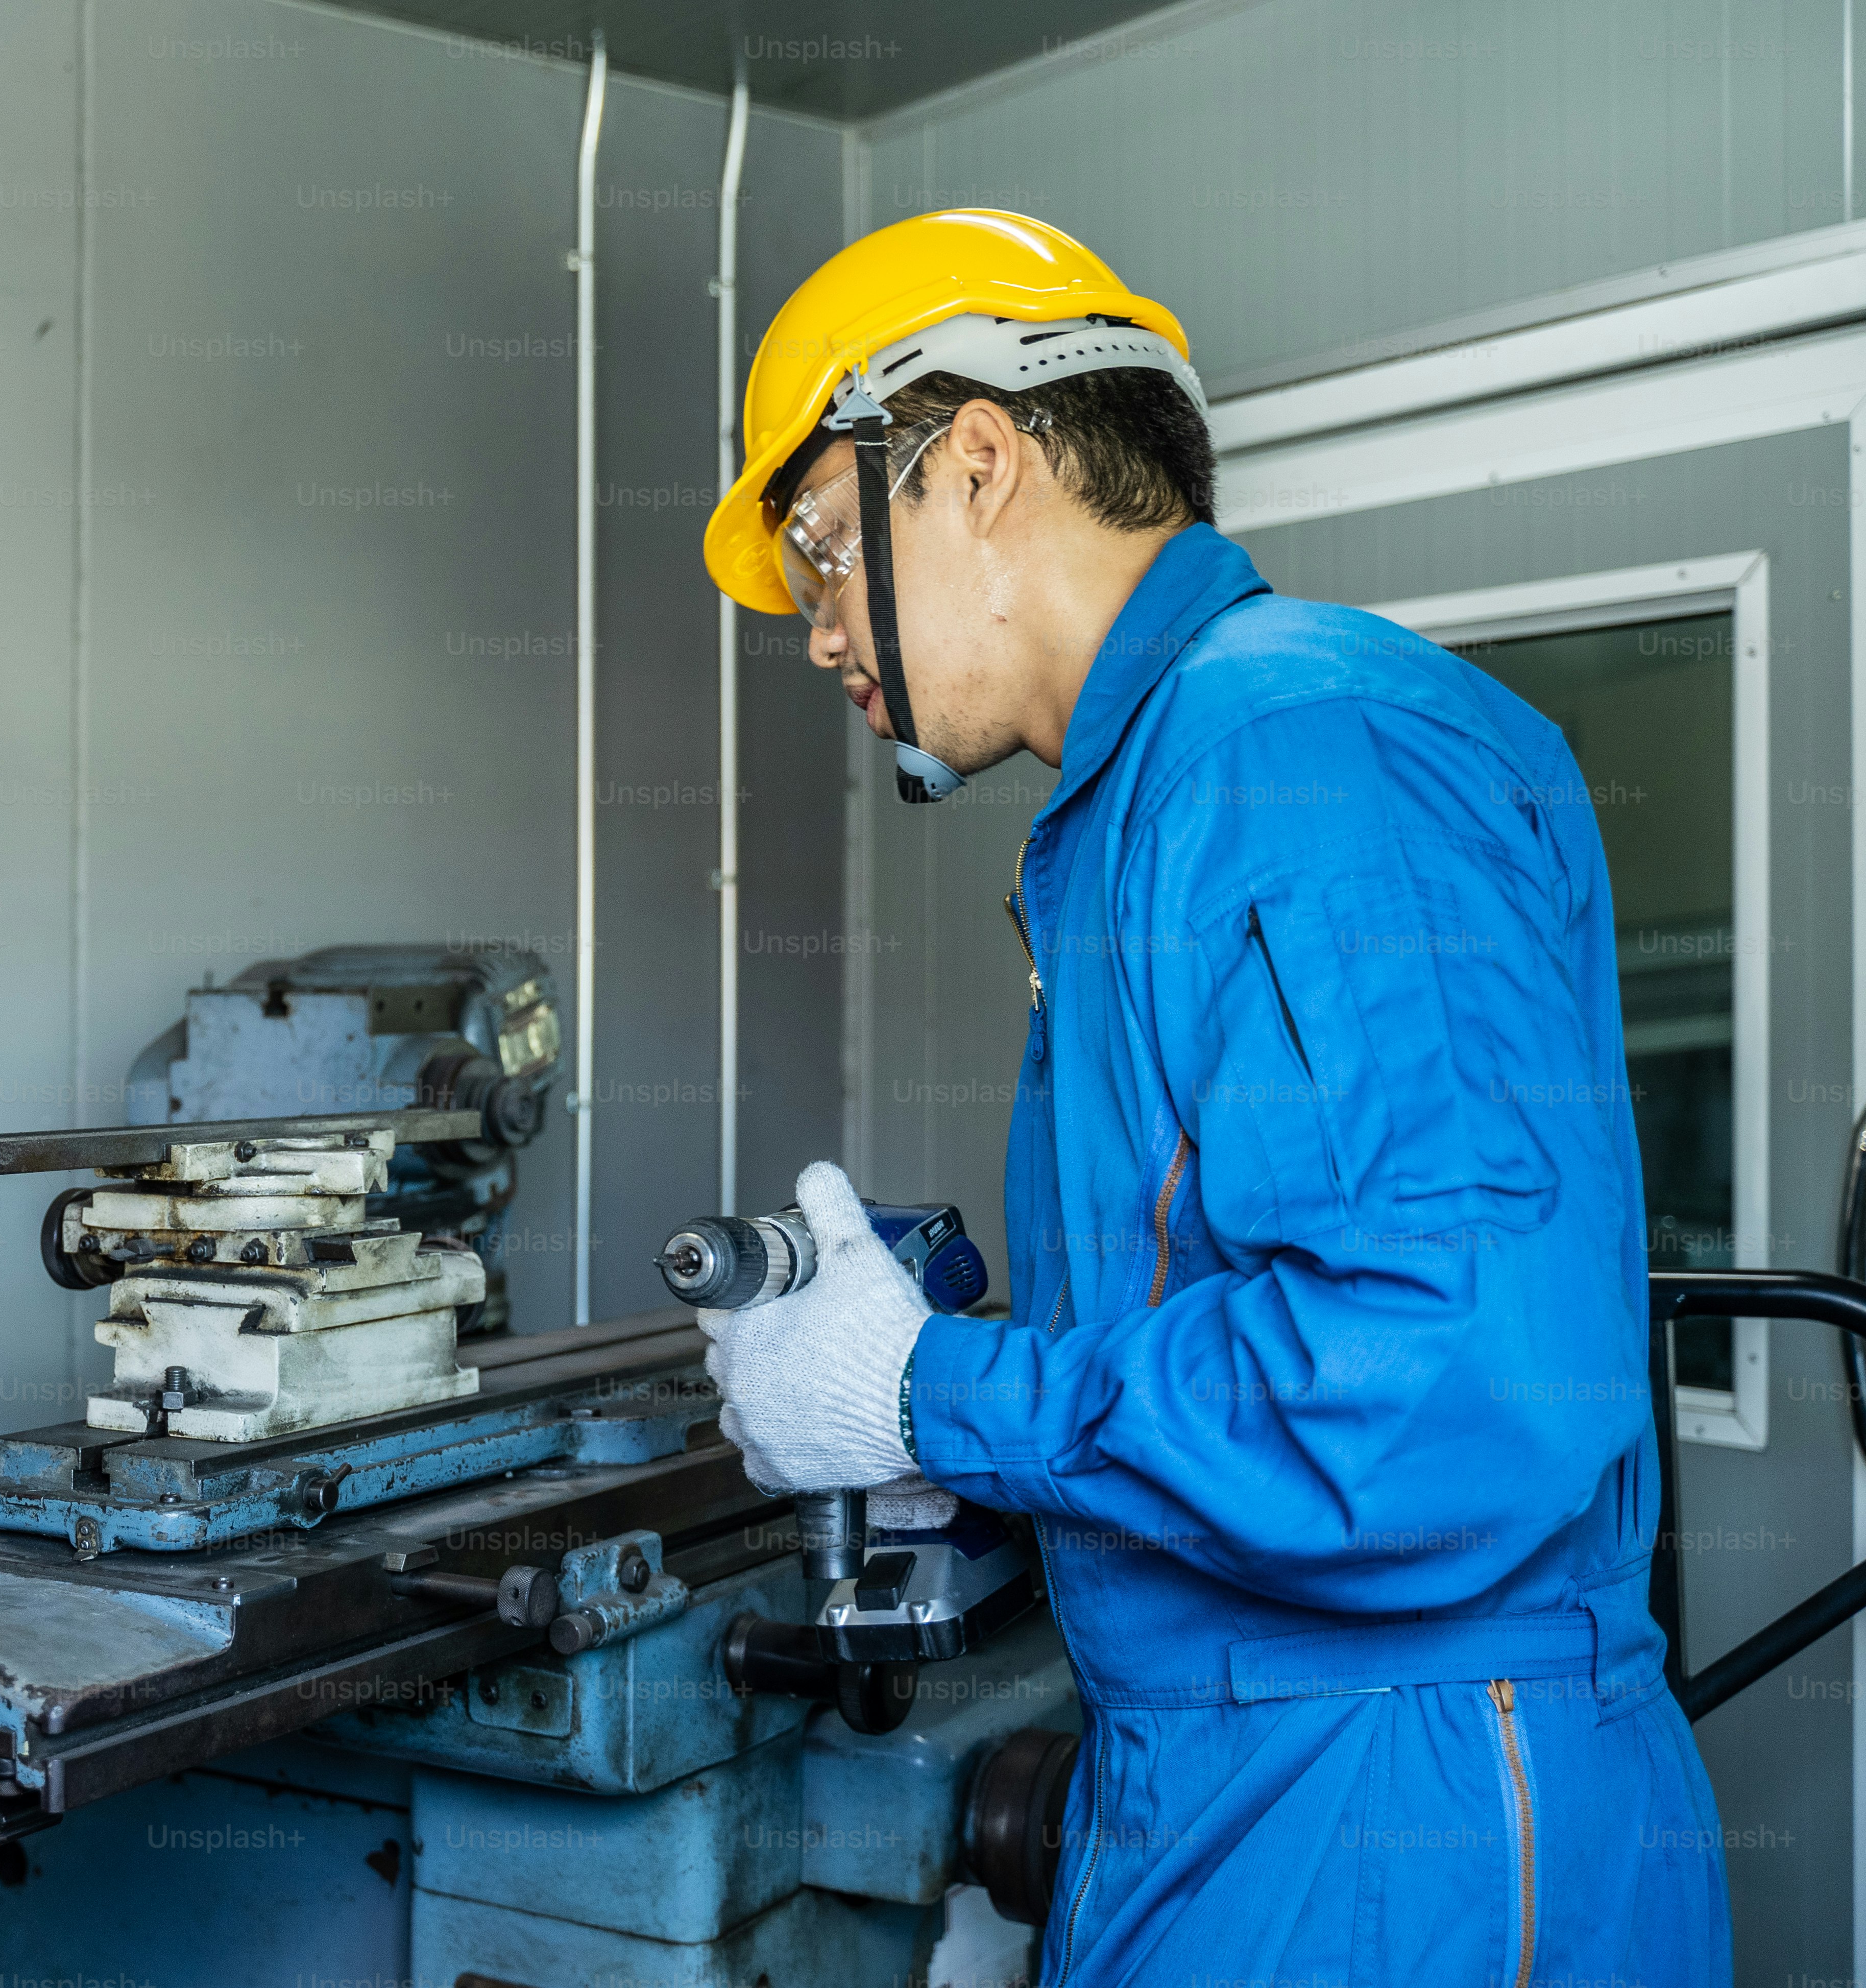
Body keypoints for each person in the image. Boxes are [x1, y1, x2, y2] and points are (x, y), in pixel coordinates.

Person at [696, 211, 1729, 1985]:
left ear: (975, 464)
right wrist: (975, 1455)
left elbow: (1436, 1386)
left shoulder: (1296, 746)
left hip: (1391, 1816)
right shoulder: (1153, 792)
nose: (818, 632)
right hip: (1244, 1781)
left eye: (823, 554)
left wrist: (929, 1394)